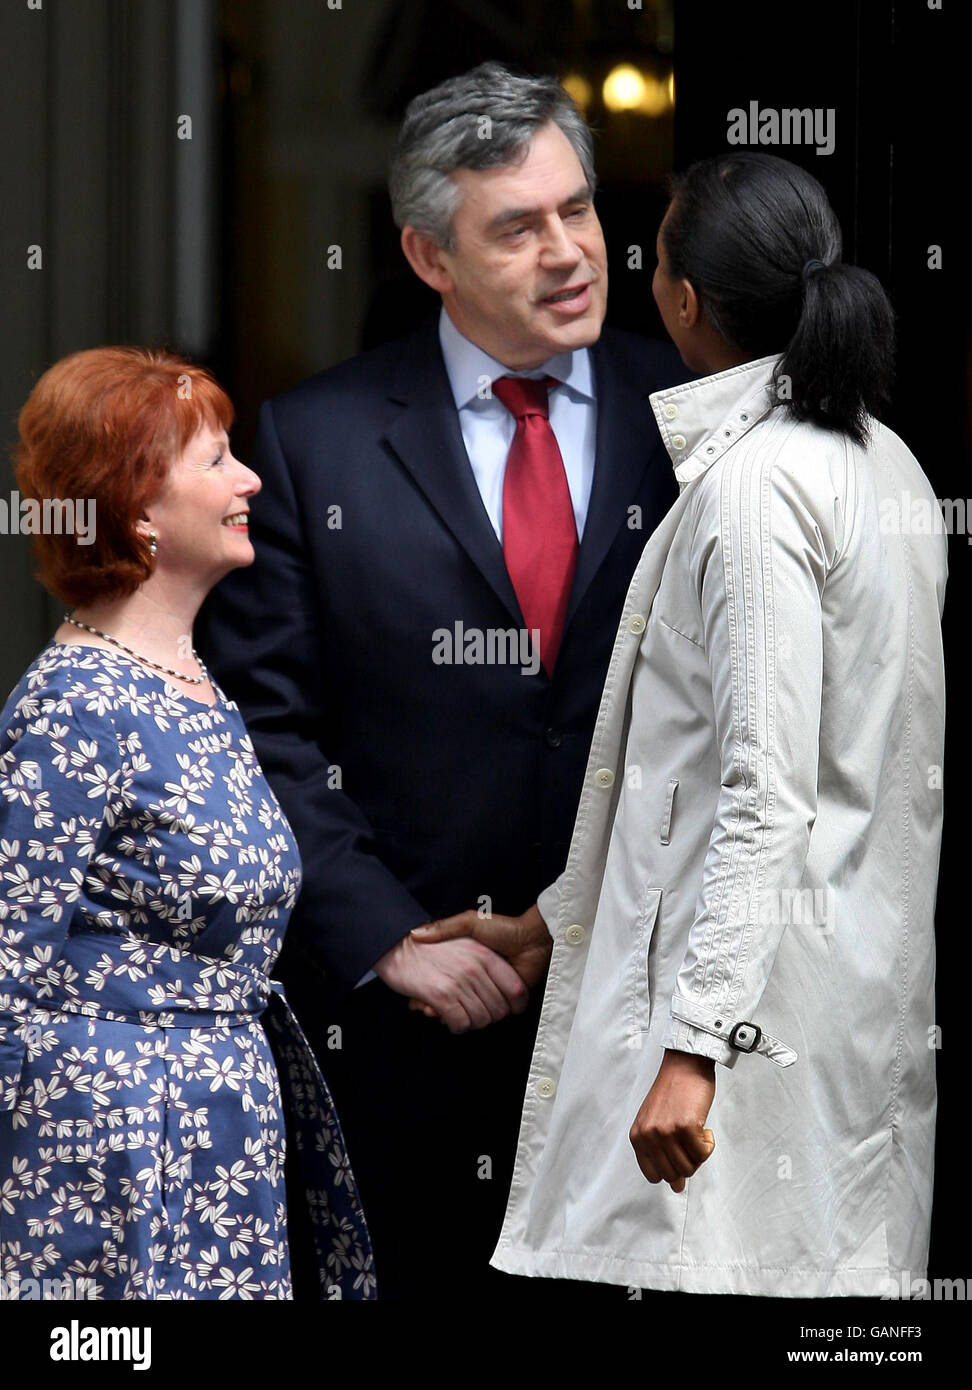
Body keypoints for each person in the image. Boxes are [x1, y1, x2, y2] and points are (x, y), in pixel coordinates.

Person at [202, 62, 688, 1300]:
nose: (570, 252)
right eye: (517, 228)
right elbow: (265, 730)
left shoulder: (694, 415)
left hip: (645, 1021)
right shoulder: (310, 444)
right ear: (429, 257)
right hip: (410, 1040)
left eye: (577, 210)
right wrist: (385, 939)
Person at [421, 150, 946, 1296]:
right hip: (840, 1022)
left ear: (686, 300)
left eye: (649, 253)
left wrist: (693, 1050)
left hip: (746, 1059)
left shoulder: (756, 487)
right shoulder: (885, 461)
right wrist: (561, 920)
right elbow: (732, 782)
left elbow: (766, 790)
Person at [0, 347, 373, 1301]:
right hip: (119, 1167)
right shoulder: (76, 699)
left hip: (221, 1143)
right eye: (214, 461)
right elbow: (9, 978)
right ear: (135, 508)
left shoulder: (194, 683)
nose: (249, 478)